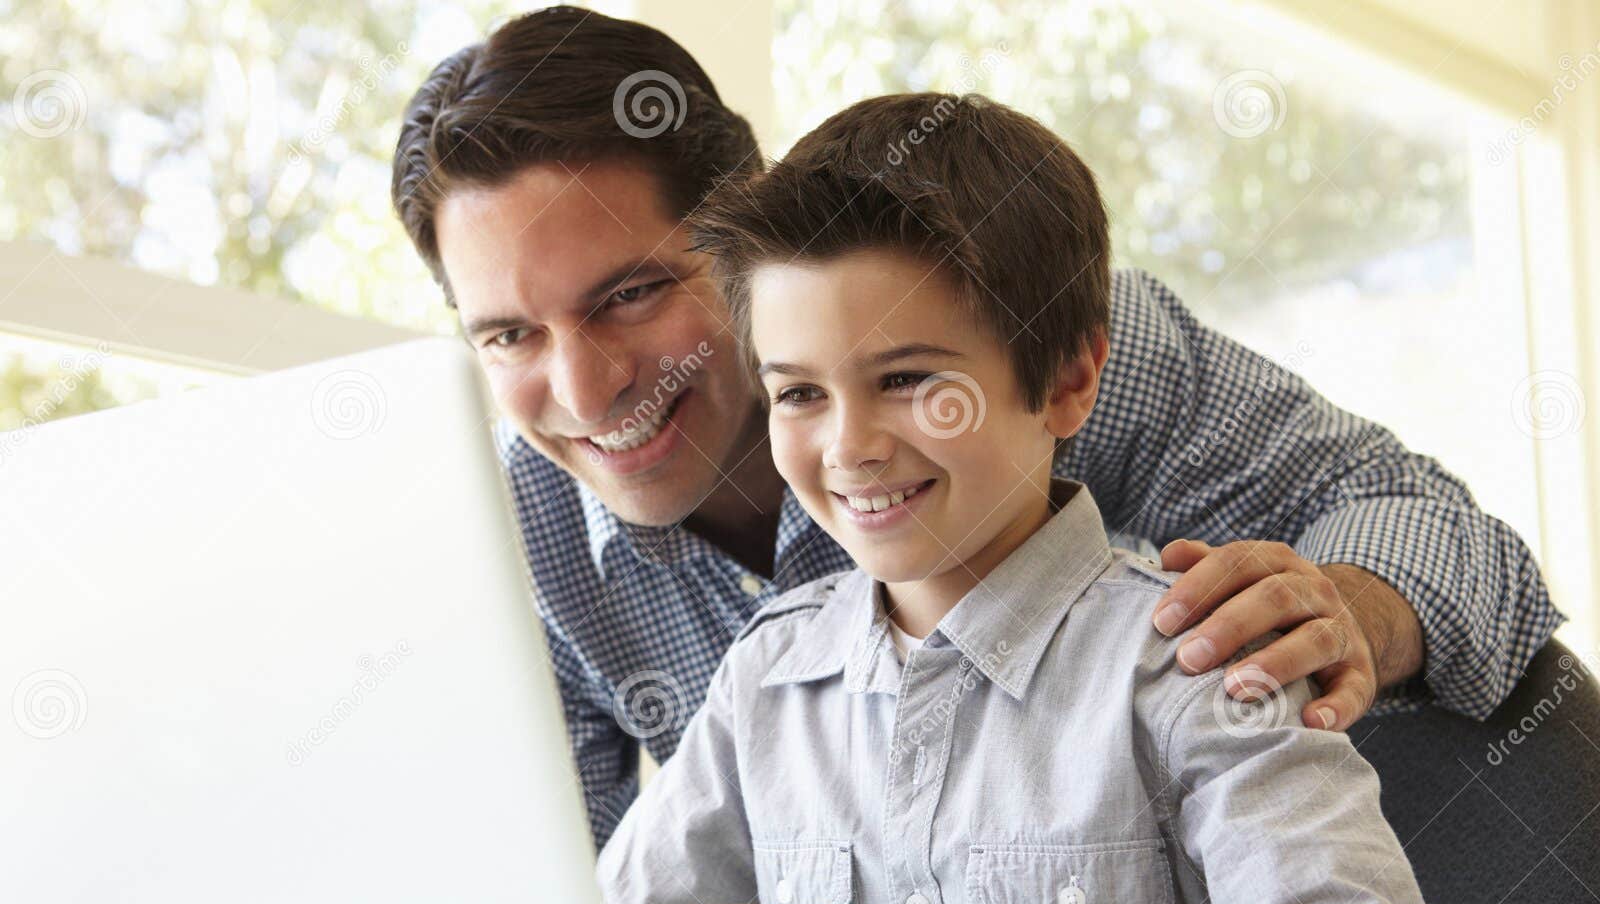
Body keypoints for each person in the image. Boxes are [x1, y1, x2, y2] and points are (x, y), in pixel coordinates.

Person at [390, 7, 1561, 849]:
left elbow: (1465, 547)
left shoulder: (1026, 340)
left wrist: (1349, 605)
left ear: (743, 238)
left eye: (629, 295)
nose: (586, 391)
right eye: (508, 336)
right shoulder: (520, 534)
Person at [596, 90, 1481, 904]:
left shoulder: (1198, 664)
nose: (846, 446)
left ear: (1067, 381)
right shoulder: (765, 677)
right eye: (799, 392)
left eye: (905, 379)